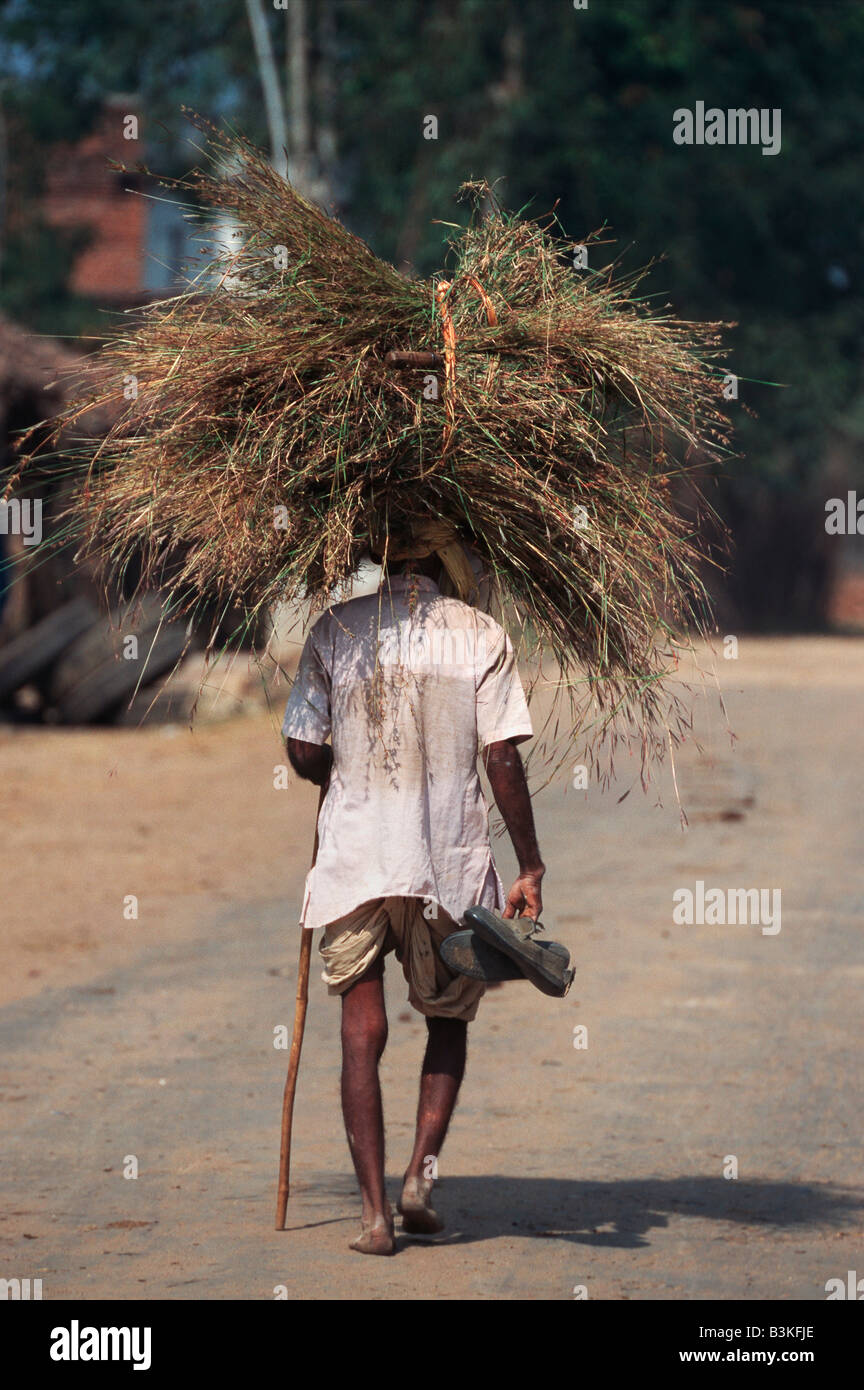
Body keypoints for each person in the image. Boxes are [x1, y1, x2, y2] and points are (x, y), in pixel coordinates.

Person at [282, 532, 545, 1256]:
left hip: (358, 858)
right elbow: (501, 757)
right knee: (448, 1018)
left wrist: (343, 764)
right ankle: (420, 1180)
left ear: (387, 559)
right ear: (442, 568)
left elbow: (304, 749)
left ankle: (373, 1217)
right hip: (447, 865)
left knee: (361, 1032)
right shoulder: (480, 634)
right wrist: (530, 865)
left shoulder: (335, 628)